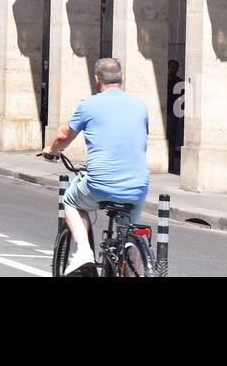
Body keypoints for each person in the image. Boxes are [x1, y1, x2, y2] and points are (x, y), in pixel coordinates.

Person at [42, 57, 150, 277]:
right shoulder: (140, 105)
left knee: (71, 201)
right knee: (129, 228)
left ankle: (83, 251)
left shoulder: (89, 104)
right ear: (122, 78)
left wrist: (52, 151)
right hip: (138, 185)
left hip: (101, 184)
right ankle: (133, 255)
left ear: (96, 79)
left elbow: (64, 135)